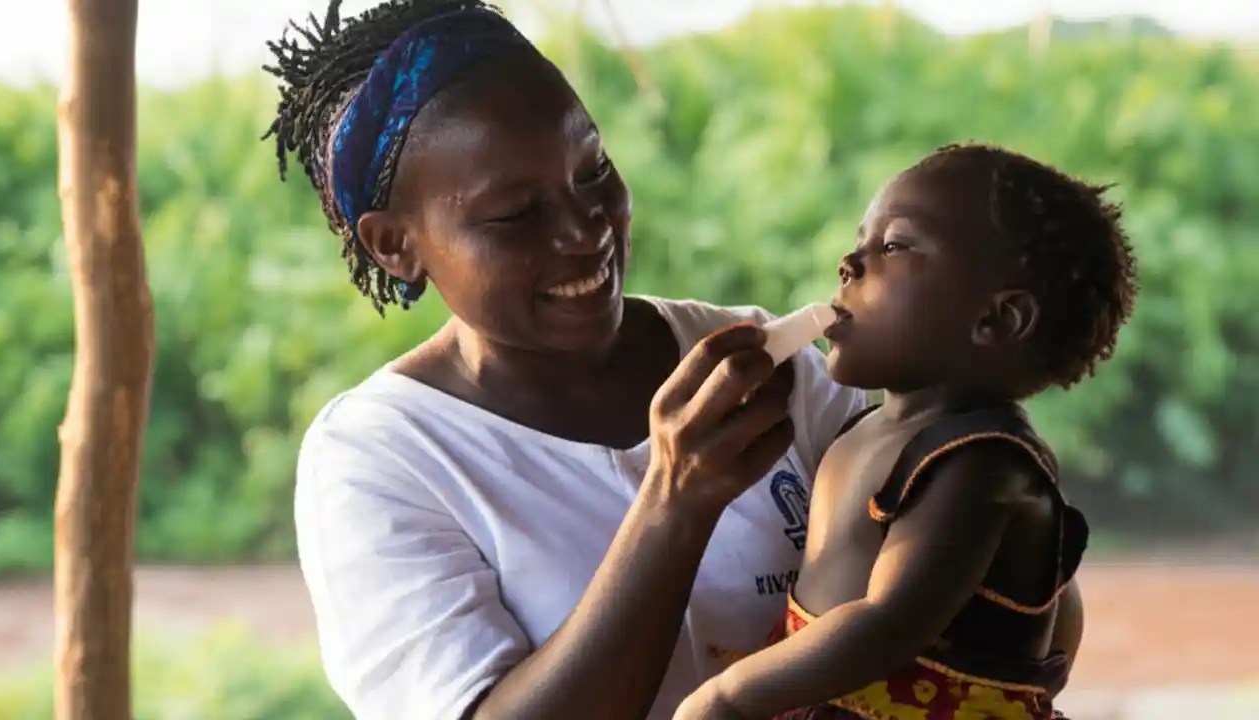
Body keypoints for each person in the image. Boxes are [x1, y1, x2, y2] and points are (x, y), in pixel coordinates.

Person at [262, 2, 865, 718]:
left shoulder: (766, 362)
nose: (585, 230)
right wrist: (674, 503)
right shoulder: (381, 460)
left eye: (594, 170)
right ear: (395, 245)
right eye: (515, 215)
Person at [674, 143, 1137, 720]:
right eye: (861, 239)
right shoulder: (865, 429)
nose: (849, 262)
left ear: (996, 318)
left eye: (893, 245)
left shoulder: (981, 465)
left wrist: (731, 693)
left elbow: (883, 624)